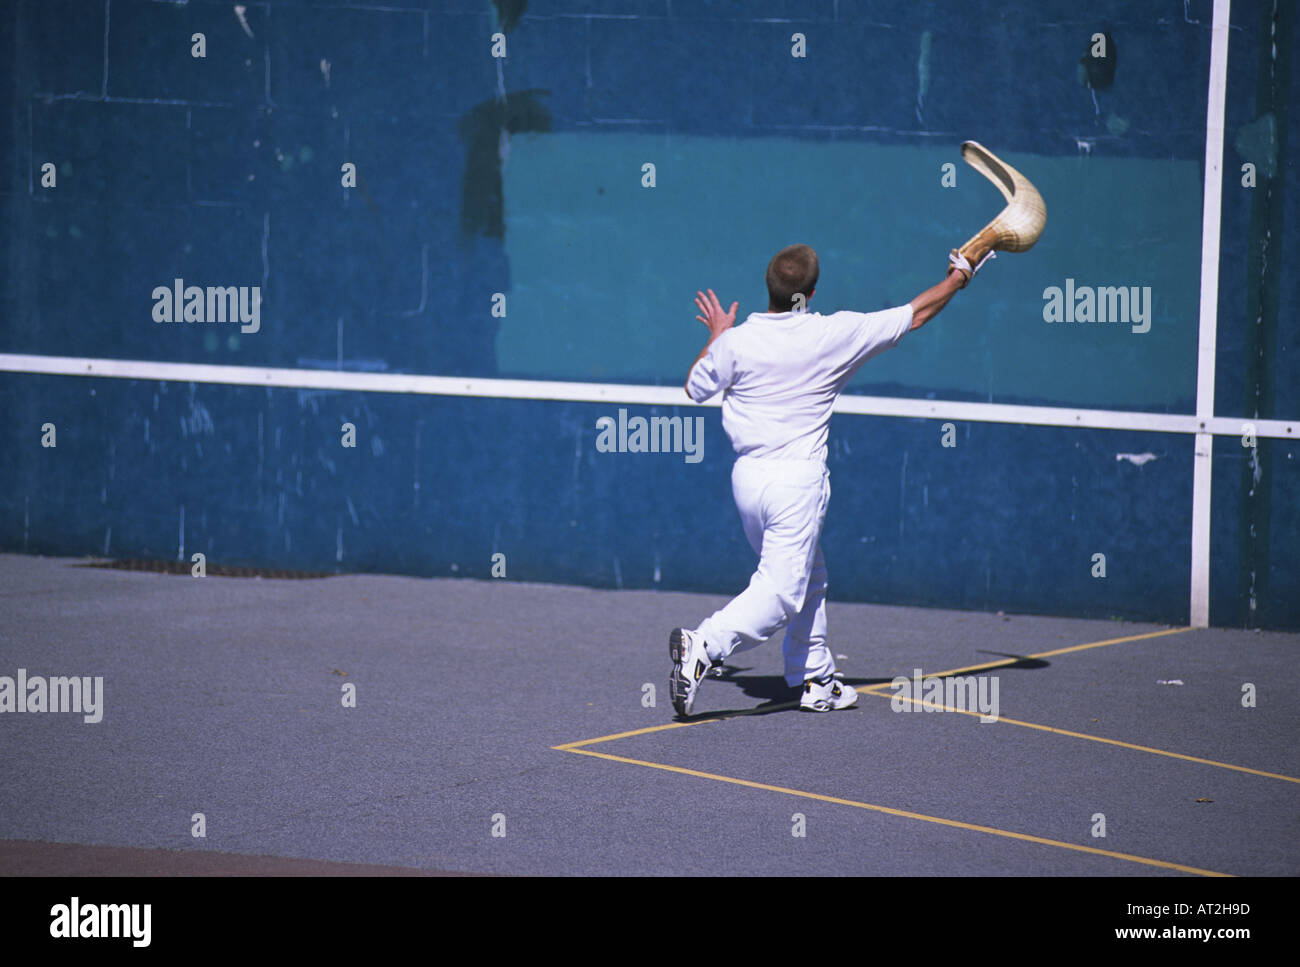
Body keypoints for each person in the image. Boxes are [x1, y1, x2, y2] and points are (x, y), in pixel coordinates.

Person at [669, 243, 972, 716]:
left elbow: (695, 387)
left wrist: (717, 335)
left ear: (768, 288)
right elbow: (914, 315)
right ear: (810, 292)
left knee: (810, 575)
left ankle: (815, 678)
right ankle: (704, 644)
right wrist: (958, 278)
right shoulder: (835, 333)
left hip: (747, 484)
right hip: (796, 485)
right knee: (780, 592)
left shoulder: (736, 340)